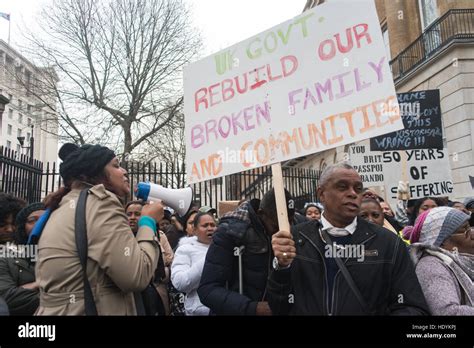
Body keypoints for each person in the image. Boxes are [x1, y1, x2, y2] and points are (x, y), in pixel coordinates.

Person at [267, 163, 429, 315]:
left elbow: (411, 307)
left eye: (358, 189)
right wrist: (282, 268)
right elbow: (278, 307)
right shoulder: (294, 239)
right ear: (321, 194)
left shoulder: (389, 244)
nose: (352, 193)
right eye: (342, 187)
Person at [34, 143, 163, 315]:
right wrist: (148, 222)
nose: (124, 172)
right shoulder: (101, 203)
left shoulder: (62, 206)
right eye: (116, 166)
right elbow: (137, 276)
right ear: (95, 174)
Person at [198, 189, 295, 315]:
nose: (283, 232)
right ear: (261, 214)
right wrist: (253, 308)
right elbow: (208, 290)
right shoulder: (231, 232)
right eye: (276, 227)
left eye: (290, 223)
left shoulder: (295, 232)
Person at [406, 207, 473, 315]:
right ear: (442, 241)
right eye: (465, 230)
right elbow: (447, 312)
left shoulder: (465, 261)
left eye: (470, 228)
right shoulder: (431, 266)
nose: (472, 234)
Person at [0, 203, 44, 315]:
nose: (10, 229)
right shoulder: (6, 257)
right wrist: (40, 284)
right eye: (2, 224)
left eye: (13, 224)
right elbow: (8, 298)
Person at [171, 212, 217, 315]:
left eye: (212, 225)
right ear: (195, 230)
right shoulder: (184, 249)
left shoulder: (223, 248)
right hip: (199, 310)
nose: (210, 228)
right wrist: (209, 258)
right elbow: (180, 283)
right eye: (205, 225)